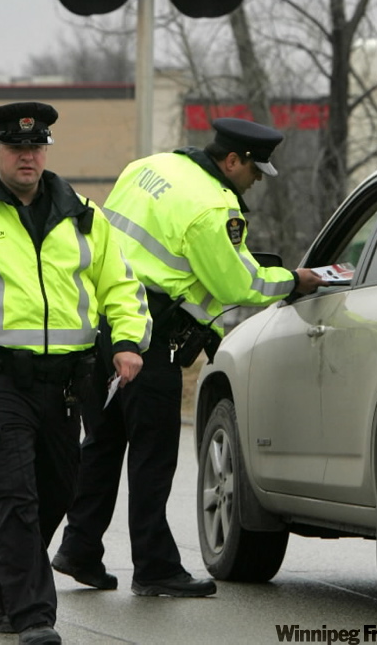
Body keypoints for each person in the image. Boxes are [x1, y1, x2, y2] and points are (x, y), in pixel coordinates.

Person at [0, 102, 151, 645]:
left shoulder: (85, 214)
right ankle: (34, 614)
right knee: (13, 493)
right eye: (16, 148)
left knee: (59, 491)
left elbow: (122, 287)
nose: (27, 157)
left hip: (66, 382)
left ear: (45, 152)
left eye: (36, 148)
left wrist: (128, 342)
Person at [52, 117, 327, 598]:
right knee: (153, 452)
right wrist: (293, 280)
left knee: (102, 441)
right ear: (232, 160)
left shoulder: (150, 166)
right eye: (255, 171)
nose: (258, 180)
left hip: (96, 321)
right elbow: (239, 284)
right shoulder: (212, 207)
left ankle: (79, 549)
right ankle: (155, 567)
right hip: (145, 333)